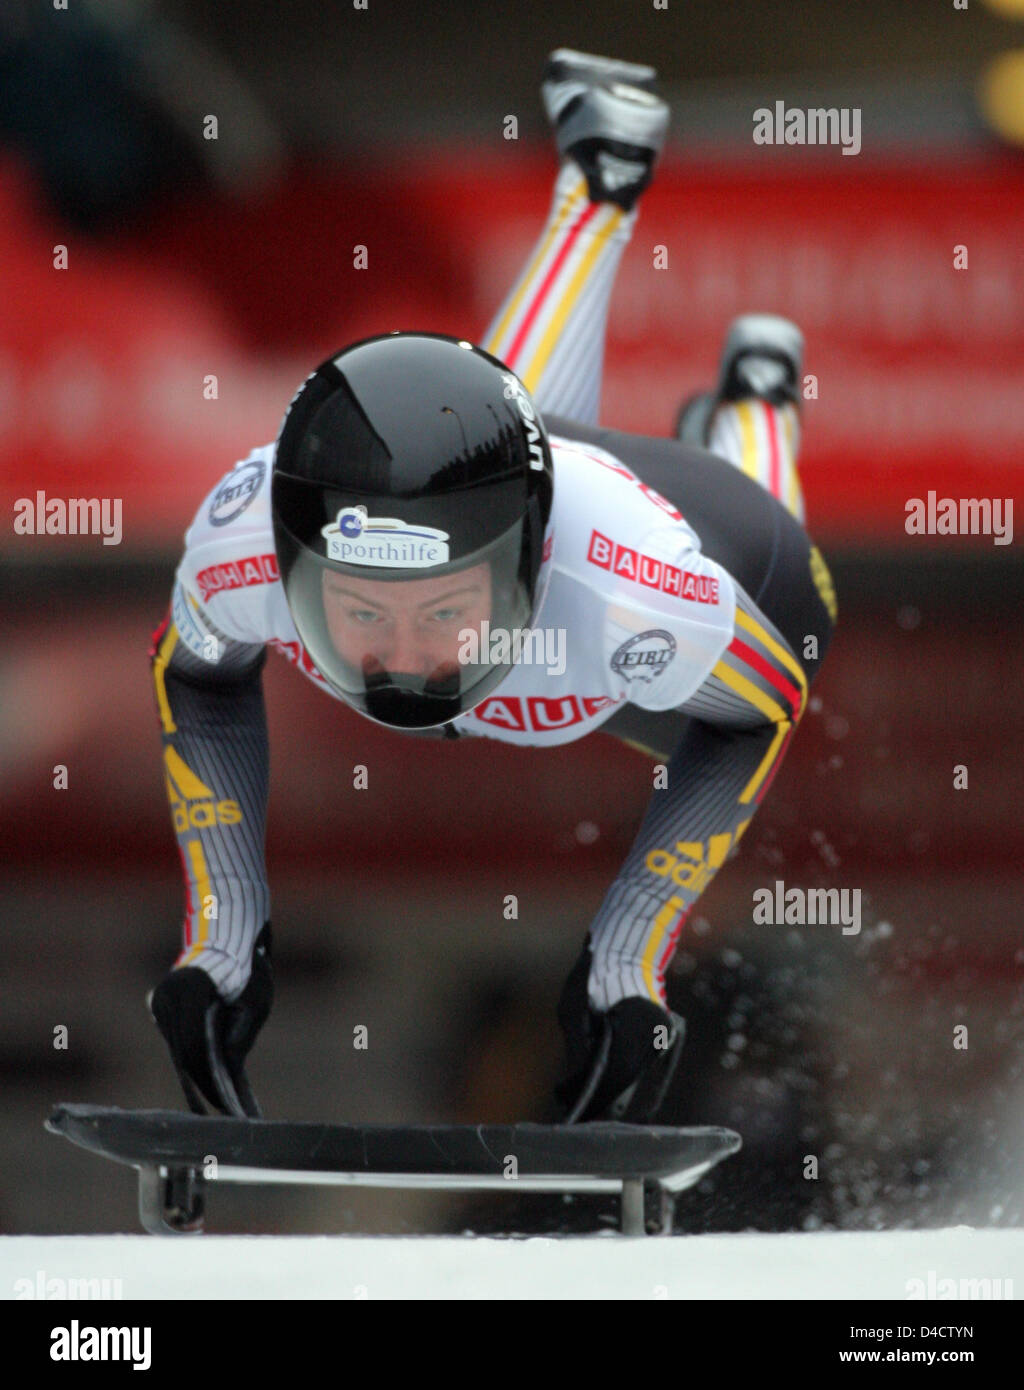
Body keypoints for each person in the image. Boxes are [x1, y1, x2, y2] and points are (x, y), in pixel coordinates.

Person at [148, 49, 836, 1125]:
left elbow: (761, 714)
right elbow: (197, 679)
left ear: (525, 564)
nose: (406, 657)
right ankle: (601, 178)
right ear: (289, 567)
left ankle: (756, 410)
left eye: (441, 613)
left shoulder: (636, 597)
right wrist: (221, 937)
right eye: (360, 614)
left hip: (728, 562)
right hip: (561, 490)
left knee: (776, 617)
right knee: (500, 415)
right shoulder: (237, 541)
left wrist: (627, 955)